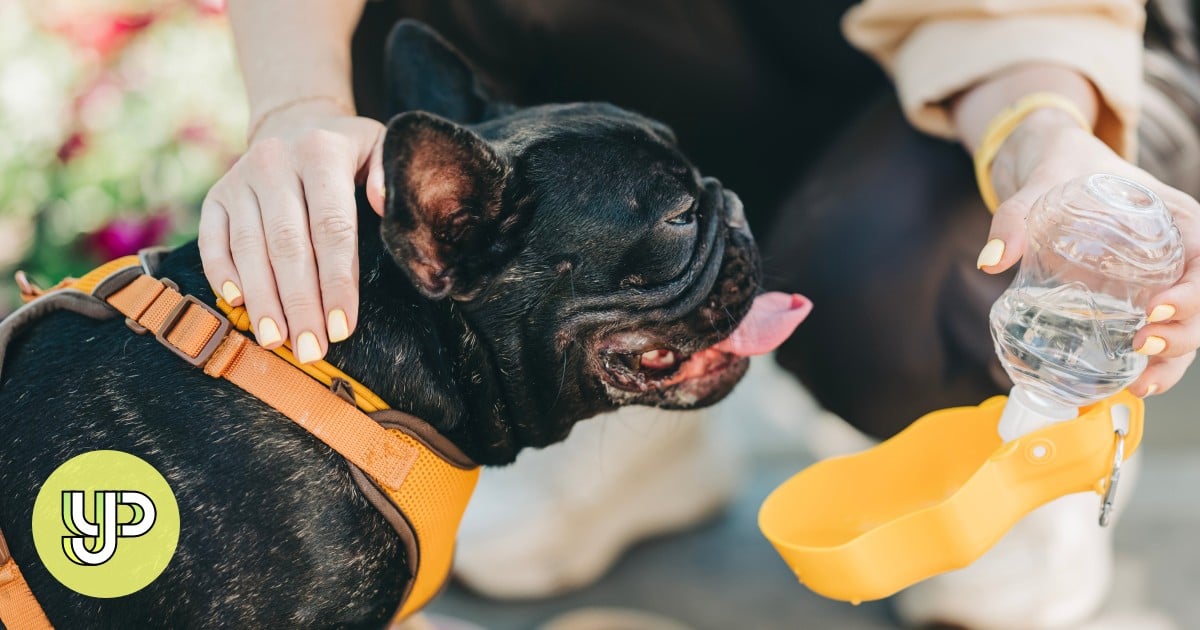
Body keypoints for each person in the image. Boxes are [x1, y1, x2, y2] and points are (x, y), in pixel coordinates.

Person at [200, 1, 1200, 626]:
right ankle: (609, 407)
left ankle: (1012, 459)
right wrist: (298, 109)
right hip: (699, 58)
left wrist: (1044, 142)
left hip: (987, 65)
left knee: (905, 291)